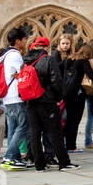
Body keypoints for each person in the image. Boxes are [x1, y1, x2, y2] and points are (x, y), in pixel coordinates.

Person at [26, 36, 75, 171]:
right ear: (47, 47)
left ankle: (39, 164)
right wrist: (58, 97)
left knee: (35, 133)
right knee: (55, 132)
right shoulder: (48, 59)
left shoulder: (27, 60)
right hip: (47, 101)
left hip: (30, 101)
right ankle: (64, 162)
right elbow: (56, 81)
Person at [0, 29, 32, 171]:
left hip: (8, 97)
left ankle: (15, 158)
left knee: (13, 127)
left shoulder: (5, 55)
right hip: (16, 96)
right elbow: (24, 74)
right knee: (24, 126)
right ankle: (9, 156)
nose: (26, 42)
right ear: (18, 41)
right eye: (24, 39)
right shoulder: (15, 55)